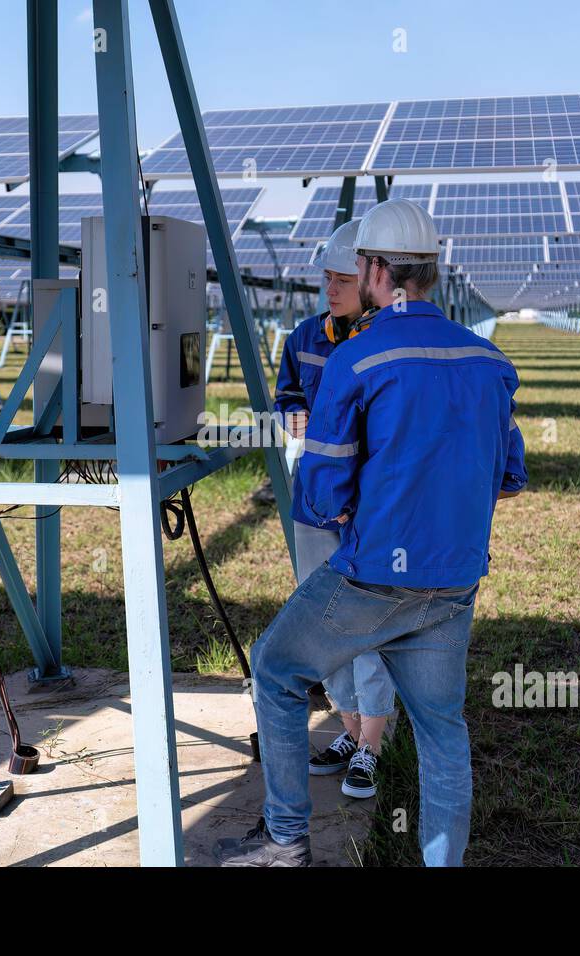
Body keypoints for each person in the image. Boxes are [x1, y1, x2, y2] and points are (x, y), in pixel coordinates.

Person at [218, 198, 527, 867]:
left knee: (274, 668)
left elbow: (321, 492)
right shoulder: (492, 363)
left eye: (359, 265)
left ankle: (284, 840)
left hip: (372, 577)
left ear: (378, 270)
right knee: (443, 732)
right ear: (432, 273)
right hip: (453, 582)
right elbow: (509, 477)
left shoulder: (358, 360)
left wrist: (364, 510)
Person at [273, 219, 398, 800]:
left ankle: (372, 745)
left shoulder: (385, 343)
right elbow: (288, 398)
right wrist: (303, 427)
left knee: (367, 622)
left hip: (368, 510)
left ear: (371, 280)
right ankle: (349, 731)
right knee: (323, 618)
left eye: (342, 277)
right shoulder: (304, 338)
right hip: (314, 503)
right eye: (325, 277)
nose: (330, 287)